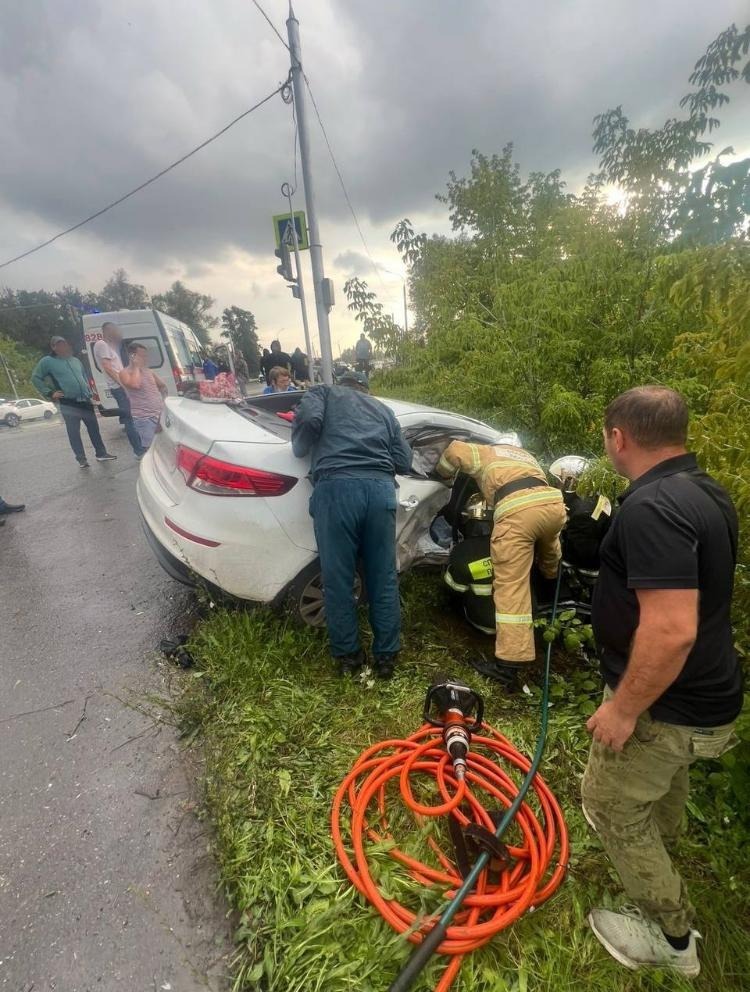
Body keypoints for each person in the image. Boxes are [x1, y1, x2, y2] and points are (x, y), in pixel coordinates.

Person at [581, 386, 742, 978]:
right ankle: (657, 853)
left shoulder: (651, 508)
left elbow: (671, 630)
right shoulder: (705, 492)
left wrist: (624, 710)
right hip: (706, 696)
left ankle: (673, 940)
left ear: (617, 438)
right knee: (657, 793)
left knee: (608, 806)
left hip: (663, 704)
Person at [291, 371, 412, 678]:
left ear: (343, 384)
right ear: (365, 389)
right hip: (380, 493)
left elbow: (309, 423)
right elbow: (404, 460)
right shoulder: (383, 411)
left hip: (338, 490)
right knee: (383, 577)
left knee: (339, 579)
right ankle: (386, 659)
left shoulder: (323, 393)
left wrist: (300, 446)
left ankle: (350, 658)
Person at [436, 440, 566, 688]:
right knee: (550, 553)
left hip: (517, 511)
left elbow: (453, 450)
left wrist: (441, 475)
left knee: (510, 588)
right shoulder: (525, 455)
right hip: (552, 506)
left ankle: (507, 667)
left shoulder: (486, 452)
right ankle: (551, 582)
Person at [31, 336, 116, 468]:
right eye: (57, 345)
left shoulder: (75, 360)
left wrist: (89, 390)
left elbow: (83, 376)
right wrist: (50, 392)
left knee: (94, 428)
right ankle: (81, 459)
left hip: (85, 400)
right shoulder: (47, 361)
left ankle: (101, 453)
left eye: (63, 344)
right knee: (73, 431)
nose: (61, 347)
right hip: (68, 402)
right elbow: (36, 378)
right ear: (53, 347)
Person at [92, 321, 143, 456]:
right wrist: (123, 385)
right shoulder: (101, 344)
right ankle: (139, 450)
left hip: (121, 386)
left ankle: (140, 447)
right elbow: (108, 368)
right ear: (108, 331)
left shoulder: (108, 346)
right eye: (114, 330)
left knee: (131, 417)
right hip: (119, 388)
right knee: (129, 419)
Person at [118, 343, 168, 452]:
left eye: (146, 355)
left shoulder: (149, 371)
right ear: (132, 356)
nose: (145, 358)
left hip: (159, 415)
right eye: (142, 356)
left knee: (164, 447)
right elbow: (135, 384)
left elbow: (163, 386)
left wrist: (164, 402)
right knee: (151, 450)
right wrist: (136, 367)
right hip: (144, 418)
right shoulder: (124, 373)